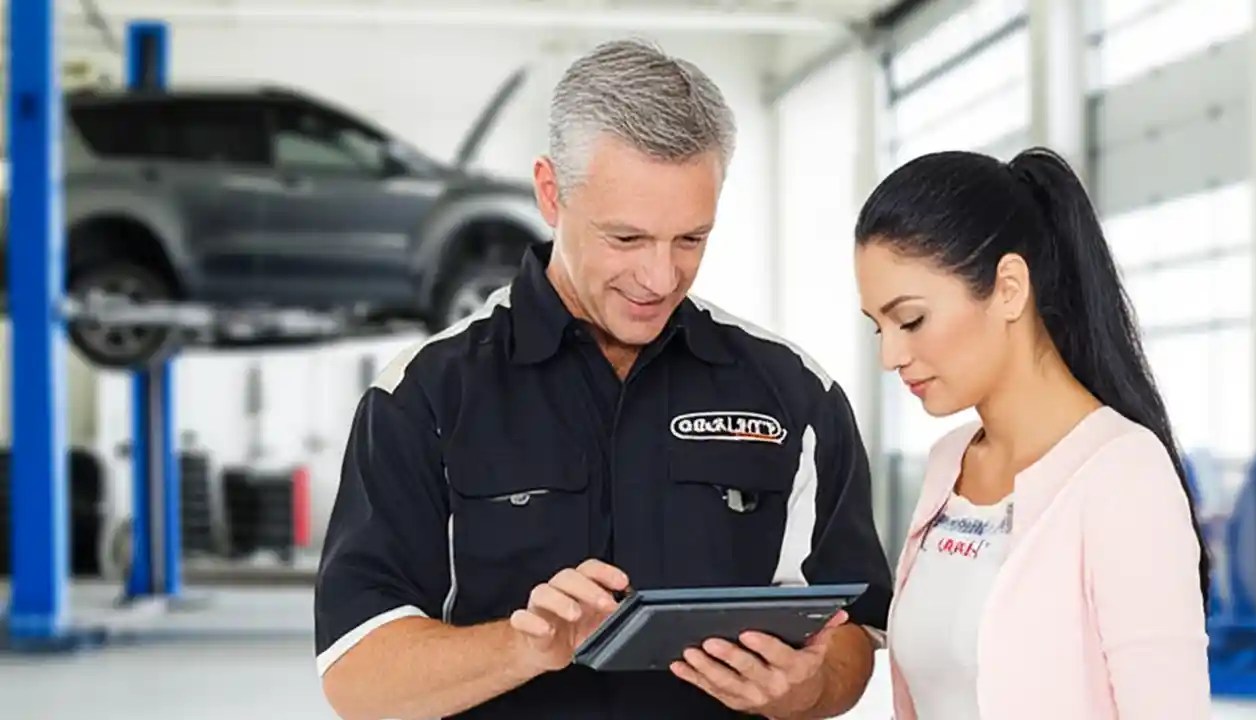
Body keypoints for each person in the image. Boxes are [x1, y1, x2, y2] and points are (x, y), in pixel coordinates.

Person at [315, 39, 893, 720]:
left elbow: (854, 634)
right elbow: (356, 678)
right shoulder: (424, 397)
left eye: (690, 240)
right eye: (626, 239)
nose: (660, 277)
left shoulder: (795, 395)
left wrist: (806, 690)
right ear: (551, 192)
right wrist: (523, 648)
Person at [854, 147, 1211, 720]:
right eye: (878, 326)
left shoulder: (1124, 475)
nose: (890, 354)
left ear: (1010, 289)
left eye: (911, 319)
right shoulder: (949, 462)